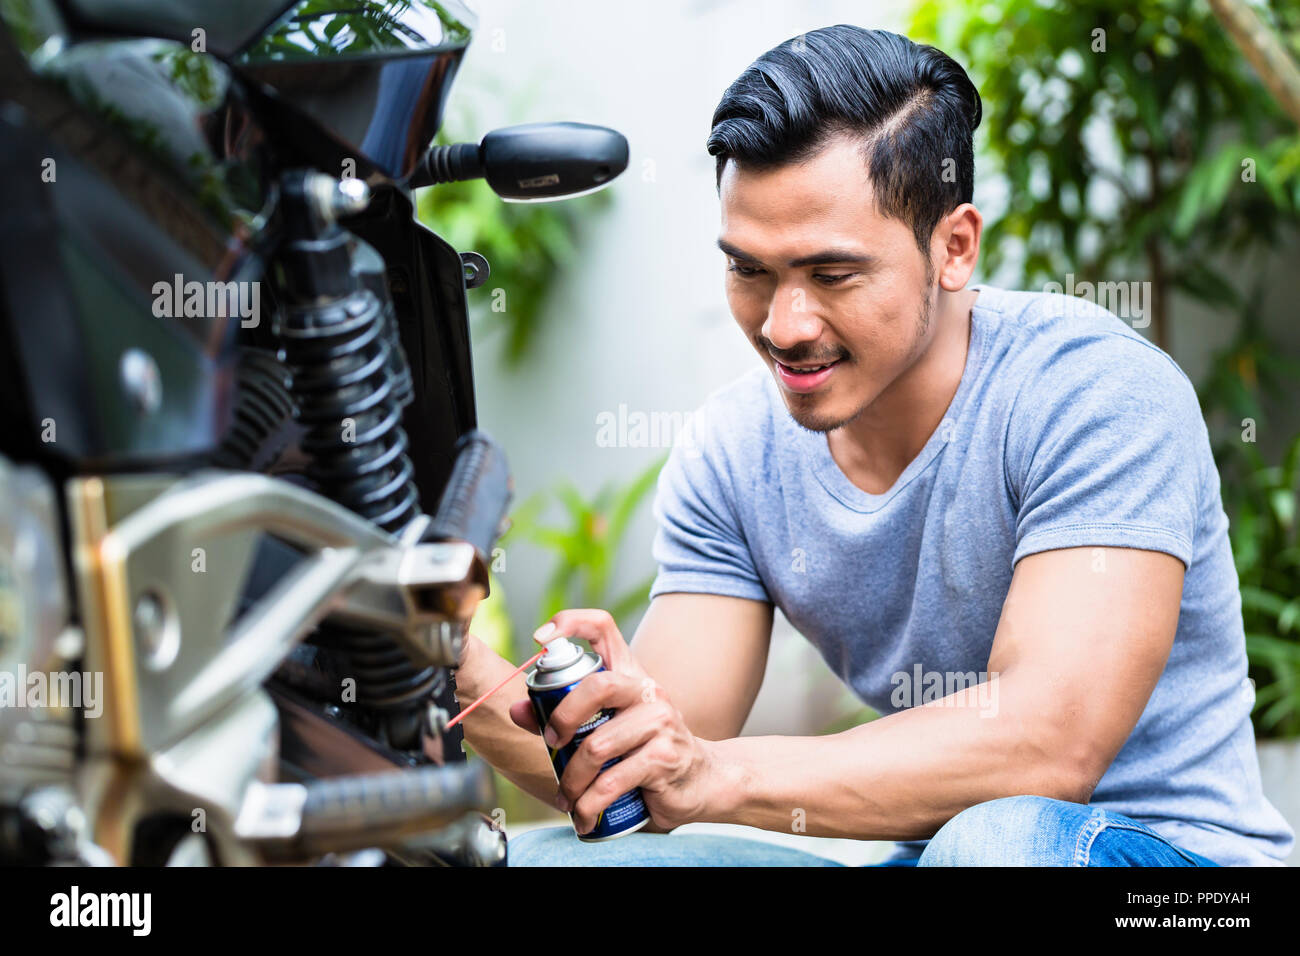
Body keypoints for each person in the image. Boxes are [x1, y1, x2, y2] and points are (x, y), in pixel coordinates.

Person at [454, 24, 1295, 866]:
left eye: (831, 275)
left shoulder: (1094, 392)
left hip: (1174, 872)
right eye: (749, 270)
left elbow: (1047, 747)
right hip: (940, 856)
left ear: (953, 247)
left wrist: (716, 774)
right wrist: (450, 671)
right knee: (553, 861)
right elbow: (645, 766)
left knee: (999, 844)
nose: (784, 327)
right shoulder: (737, 447)